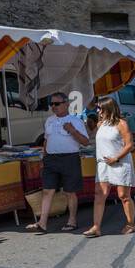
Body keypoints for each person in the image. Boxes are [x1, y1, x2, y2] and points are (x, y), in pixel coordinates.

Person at [34, 92, 89, 233]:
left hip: (69, 158)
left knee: (70, 192)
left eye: (57, 103)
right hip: (51, 159)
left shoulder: (76, 121)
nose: (53, 106)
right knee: (47, 190)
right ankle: (42, 222)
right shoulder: (49, 121)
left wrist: (72, 131)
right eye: (51, 104)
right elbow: (46, 140)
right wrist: (43, 157)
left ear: (66, 104)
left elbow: (85, 142)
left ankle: (72, 221)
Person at [84, 97, 135, 237]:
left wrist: (116, 158)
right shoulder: (101, 124)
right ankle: (96, 227)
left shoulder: (121, 124)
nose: (98, 111)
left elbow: (130, 145)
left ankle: (130, 224)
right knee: (99, 194)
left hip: (120, 163)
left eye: (100, 108)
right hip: (103, 164)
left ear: (108, 108)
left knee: (123, 195)